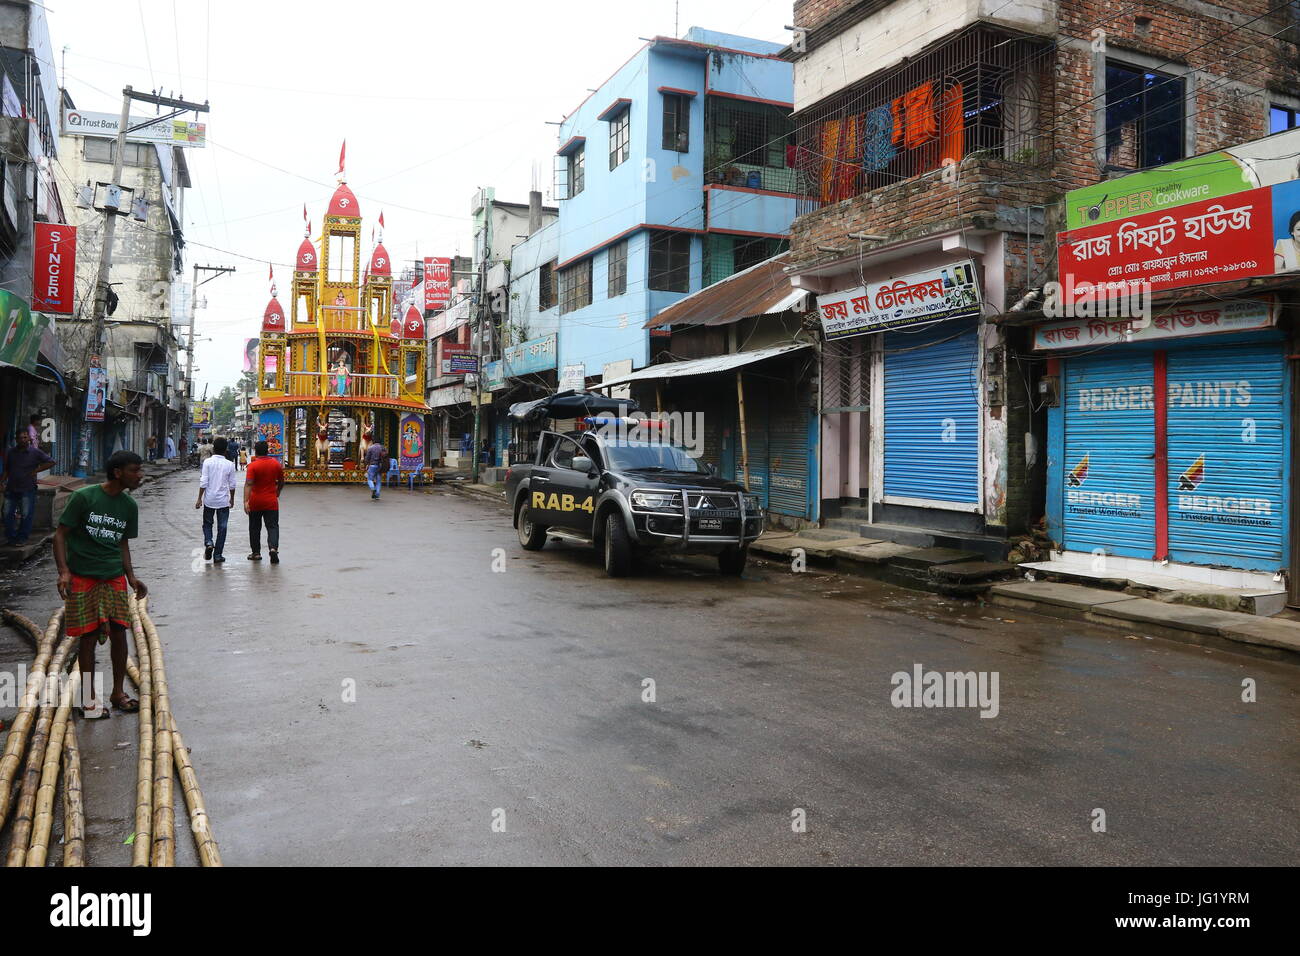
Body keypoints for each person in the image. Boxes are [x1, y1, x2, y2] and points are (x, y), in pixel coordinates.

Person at [54, 450, 147, 720]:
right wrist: (63, 572)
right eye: (134, 470)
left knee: (120, 632)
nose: (140, 475)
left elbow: (122, 543)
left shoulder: (129, 506)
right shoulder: (84, 497)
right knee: (89, 636)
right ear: (118, 472)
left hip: (113, 576)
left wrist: (131, 577)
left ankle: (118, 693)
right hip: (83, 576)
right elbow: (60, 536)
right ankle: (89, 698)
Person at [2, 429, 55, 545]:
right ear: (16, 439)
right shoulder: (11, 452)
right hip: (11, 488)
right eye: (20, 438)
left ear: (29, 438)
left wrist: (36, 470)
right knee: (6, 514)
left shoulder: (35, 452)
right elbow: (7, 469)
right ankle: (11, 538)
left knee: (26, 515)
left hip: (27, 488)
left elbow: (51, 462)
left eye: (25, 437)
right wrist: (1, 482)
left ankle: (22, 538)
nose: (23, 440)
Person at [196, 436, 237, 563]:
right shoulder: (230, 465)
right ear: (226, 450)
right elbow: (232, 485)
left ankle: (209, 542)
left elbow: (203, 482)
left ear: (213, 449)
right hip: (223, 501)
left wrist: (199, 499)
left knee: (207, 524)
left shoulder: (207, 462)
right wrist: (232, 499)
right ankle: (218, 555)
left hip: (209, 500)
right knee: (222, 527)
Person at [244, 439, 284, 563]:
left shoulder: (252, 466)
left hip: (255, 501)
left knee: (255, 528)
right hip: (271, 501)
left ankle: (256, 553)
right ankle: (273, 549)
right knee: (272, 527)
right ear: (268, 451)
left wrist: (246, 501)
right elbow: (282, 481)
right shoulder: (276, 464)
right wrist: (278, 491)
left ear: (255, 452)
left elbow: (249, 484)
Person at [363, 433, 387, 500]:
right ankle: (377, 495)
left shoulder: (371, 448)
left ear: (373, 441)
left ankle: (373, 489)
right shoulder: (383, 447)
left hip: (372, 465)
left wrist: (366, 464)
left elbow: (367, 458)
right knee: (378, 481)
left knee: (370, 479)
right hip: (380, 466)